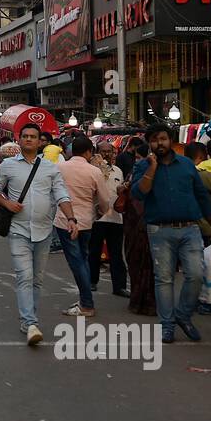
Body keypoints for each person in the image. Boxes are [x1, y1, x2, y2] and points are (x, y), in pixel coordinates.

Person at [0, 123, 74, 344]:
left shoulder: (51, 168)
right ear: (19, 140)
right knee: (24, 276)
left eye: (32, 136)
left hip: (44, 231)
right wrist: (7, 204)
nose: (28, 139)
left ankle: (30, 318)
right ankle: (30, 322)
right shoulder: (7, 165)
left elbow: (62, 195)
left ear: (40, 141)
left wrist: (71, 219)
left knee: (37, 279)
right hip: (18, 230)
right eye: (25, 136)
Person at [132, 125, 211, 344]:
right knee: (164, 279)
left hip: (190, 228)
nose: (159, 143)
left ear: (170, 140)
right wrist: (151, 168)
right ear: (149, 143)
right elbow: (139, 193)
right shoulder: (143, 165)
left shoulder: (187, 165)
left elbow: (201, 195)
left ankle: (183, 315)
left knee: (196, 274)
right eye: (154, 140)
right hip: (159, 230)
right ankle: (167, 325)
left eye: (162, 138)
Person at [54, 135, 104, 316]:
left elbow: (54, 193)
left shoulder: (59, 168)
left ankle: (87, 304)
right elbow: (104, 200)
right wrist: (99, 212)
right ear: (89, 151)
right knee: (82, 259)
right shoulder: (94, 171)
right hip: (86, 221)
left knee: (77, 262)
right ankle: (85, 300)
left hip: (64, 221)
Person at [120, 141, 156, 317]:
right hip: (135, 221)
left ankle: (146, 302)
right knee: (138, 261)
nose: (137, 161)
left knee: (145, 262)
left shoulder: (150, 171)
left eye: (139, 158)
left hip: (143, 221)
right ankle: (142, 301)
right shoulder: (136, 171)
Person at [89, 141, 128, 298]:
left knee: (116, 253)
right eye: (103, 151)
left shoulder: (118, 171)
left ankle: (119, 286)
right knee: (94, 252)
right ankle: (92, 281)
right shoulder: (92, 170)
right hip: (97, 218)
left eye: (109, 151)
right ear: (97, 152)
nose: (106, 154)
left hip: (115, 218)